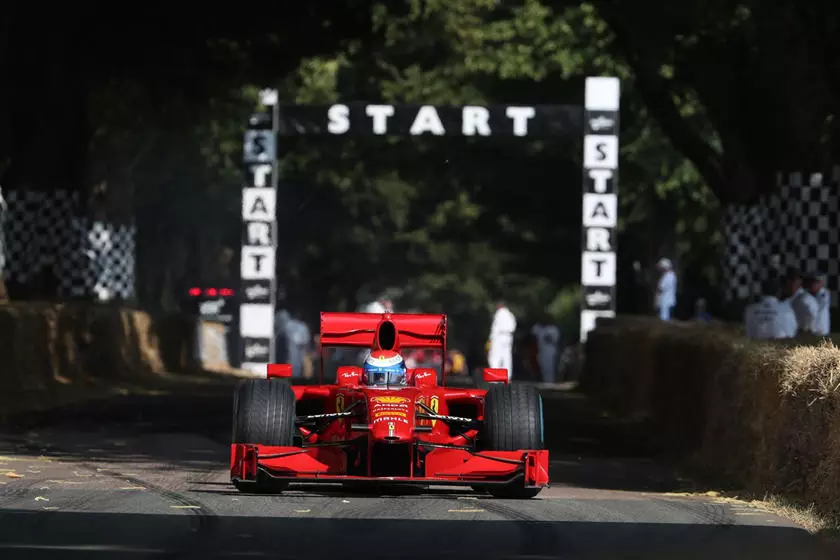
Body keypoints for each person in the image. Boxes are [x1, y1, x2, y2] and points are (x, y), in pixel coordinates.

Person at [487, 299, 517, 381]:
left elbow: (495, 328)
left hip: (499, 336)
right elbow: (513, 327)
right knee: (507, 357)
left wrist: (491, 338)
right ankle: (507, 376)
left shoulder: (499, 314)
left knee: (495, 356)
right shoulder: (510, 314)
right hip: (508, 337)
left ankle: (494, 376)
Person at [531, 313, 560, 383]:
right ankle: (543, 382)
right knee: (542, 368)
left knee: (549, 368)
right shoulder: (538, 328)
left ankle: (550, 383)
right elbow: (532, 334)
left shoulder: (553, 329)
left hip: (550, 351)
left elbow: (554, 340)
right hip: (540, 351)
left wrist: (548, 338)